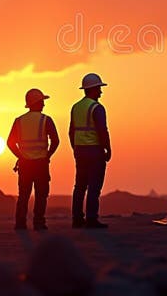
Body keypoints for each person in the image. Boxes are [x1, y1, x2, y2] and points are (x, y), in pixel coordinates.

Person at [7, 88, 59, 231]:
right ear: (37, 102)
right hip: (41, 164)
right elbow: (56, 141)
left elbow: (10, 143)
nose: (44, 104)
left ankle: (20, 224)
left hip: (25, 165)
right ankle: (39, 223)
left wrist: (20, 156)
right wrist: (48, 155)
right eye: (42, 101)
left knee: (23, 195)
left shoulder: (19, 121)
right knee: (41, 195)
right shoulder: (46, 120)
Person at [69, 73, 111, 229]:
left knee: (79, 186)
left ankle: (77, 219)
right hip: (95, 151)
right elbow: (102, 130)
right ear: (93, 89)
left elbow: (71, 131)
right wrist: (108, 148)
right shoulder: (97, 108)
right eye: (99, 88)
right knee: (94, 186)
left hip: (80, 152)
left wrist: (75, 148)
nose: (101, 92)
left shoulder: (75, 107)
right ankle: (91, 219)